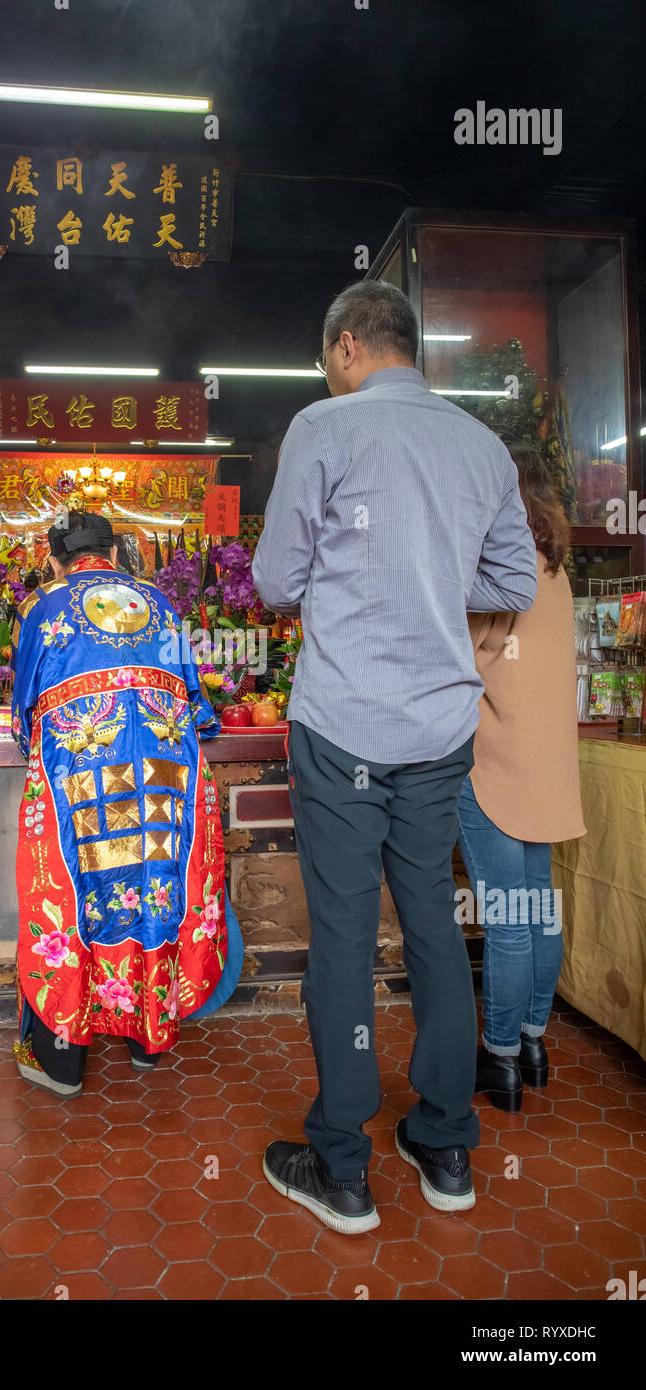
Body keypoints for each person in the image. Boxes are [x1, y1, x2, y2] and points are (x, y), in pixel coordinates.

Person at [252, 279, 538, 1234]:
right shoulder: (481, 444)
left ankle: (340, 1164)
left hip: (342, 725)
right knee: (431, 927)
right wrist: (429, 575)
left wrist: (373, 570)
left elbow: (276, 579)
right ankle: (447, 1143)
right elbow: (513, 579)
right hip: (437, 730)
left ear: (344, 347)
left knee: (342, 933)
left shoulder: (321, 431)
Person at [10, 510, 243, 1096]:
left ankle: (62, 1059)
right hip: (165, 766)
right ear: (113, 555)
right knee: (153, 877)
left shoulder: (44, 605)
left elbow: (23, 701)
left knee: (78, 883)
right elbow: (195, 699)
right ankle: (146, 1040)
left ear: (57, 558)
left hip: (80, 768)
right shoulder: (160, 603)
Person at [457, 443, 585, 1112]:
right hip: (546, 767)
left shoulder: (503, 567)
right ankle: (533, 1042)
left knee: (506, 919)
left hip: (495, 762)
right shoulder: (556, 567)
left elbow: (462, 660)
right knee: (537, 908)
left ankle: (500, 1057)